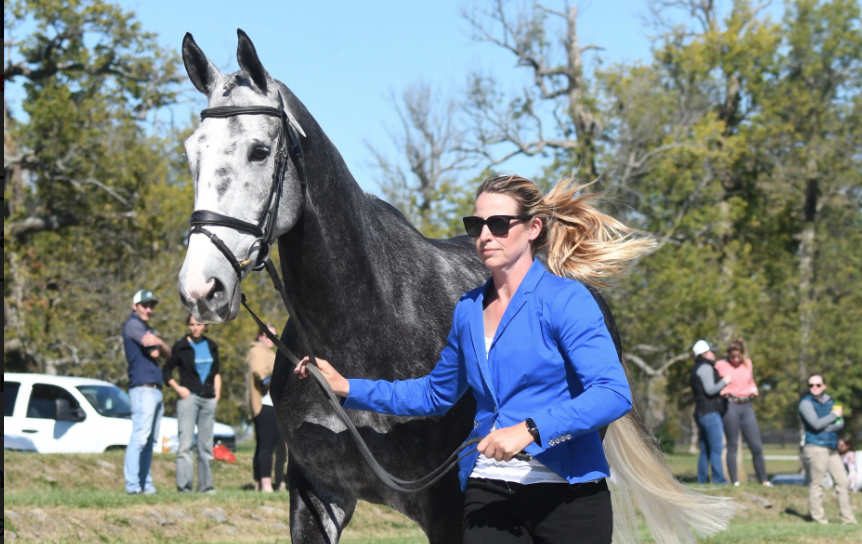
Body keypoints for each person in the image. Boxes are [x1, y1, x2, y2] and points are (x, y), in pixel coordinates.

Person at [295, 174, 654, 543]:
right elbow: (435, 394)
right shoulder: (468, 309)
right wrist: (347, 387)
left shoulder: (567, 300)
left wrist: (530, 430)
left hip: (568, 495)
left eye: (498, 224)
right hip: (489, 492)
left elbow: (613, 393)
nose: (484, 235)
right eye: (475, 224)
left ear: (533, 228)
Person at [162, 314, 221, 493]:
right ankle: (184, 488)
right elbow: (166, 370)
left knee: (205, 446)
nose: (195, 327)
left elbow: (216, 372)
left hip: (208, 400)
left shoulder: (211, 346)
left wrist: (217, 394)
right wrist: (178, 388)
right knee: (185, 445)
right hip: (189, 400)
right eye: (192, 324)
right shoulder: (181, 346)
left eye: (199, 324)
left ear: (205, 326)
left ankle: (206, 488)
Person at [122, 289, 171, 495]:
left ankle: (145, 485)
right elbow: (154, 352)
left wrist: (159, 341)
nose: (148, 309)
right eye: (145, 305)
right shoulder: (133, 325)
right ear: (135, 306)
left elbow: (167, 353)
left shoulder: (147, 328)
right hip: (142, 388)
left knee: (150, 441)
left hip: (154, 388)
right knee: (140, 438)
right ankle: (133, 485)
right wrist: (158, 344)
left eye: (151, 306)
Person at [798, 373, 857, 525]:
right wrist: (832, 416)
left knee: (842, 482)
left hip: (831, 448)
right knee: (818, 484)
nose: (814, 388)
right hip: (816, 447)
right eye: (811, 385)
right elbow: (815, 424)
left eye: (818, 385)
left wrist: (827, 422)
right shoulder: (805, 403)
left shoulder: (830, 400)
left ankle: (848, 519)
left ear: (824, 386)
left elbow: (840, 423)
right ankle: (819, 519)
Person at [714, 338, 770, 486]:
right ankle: (735, 481)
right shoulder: (721, 365)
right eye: (733, 356)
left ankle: (763, 480)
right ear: (728, 354)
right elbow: (715, 383)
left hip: (747, 406)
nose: (736, 360)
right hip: (731, 405)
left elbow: (750, 382)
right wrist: (722, 389)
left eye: (739, 356)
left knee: (756, 445)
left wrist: (754, 389)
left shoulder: (748, 364)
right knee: (732, 445)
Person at [247, 323, 287, 493]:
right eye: (268, 335)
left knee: (263, 445)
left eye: (275, 336)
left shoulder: (267, 352)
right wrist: (269, 382)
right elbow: (258, 370)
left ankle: (259, 484)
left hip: (270, 404)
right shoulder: (257, 350)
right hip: (265, 404)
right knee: (267, 447)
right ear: (260, 335)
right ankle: (266, 485)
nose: (272, 339)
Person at [690, 339, 729, 485]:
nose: (714, 353)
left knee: (705, 449)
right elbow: (710, 389)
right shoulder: (705, 368)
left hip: (701, 412)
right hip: (709, 413)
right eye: (712, 351)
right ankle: (719, 480)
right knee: (716, 448)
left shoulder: (696, 367)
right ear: (705, 353)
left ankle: (702, 480)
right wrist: (725, 381)